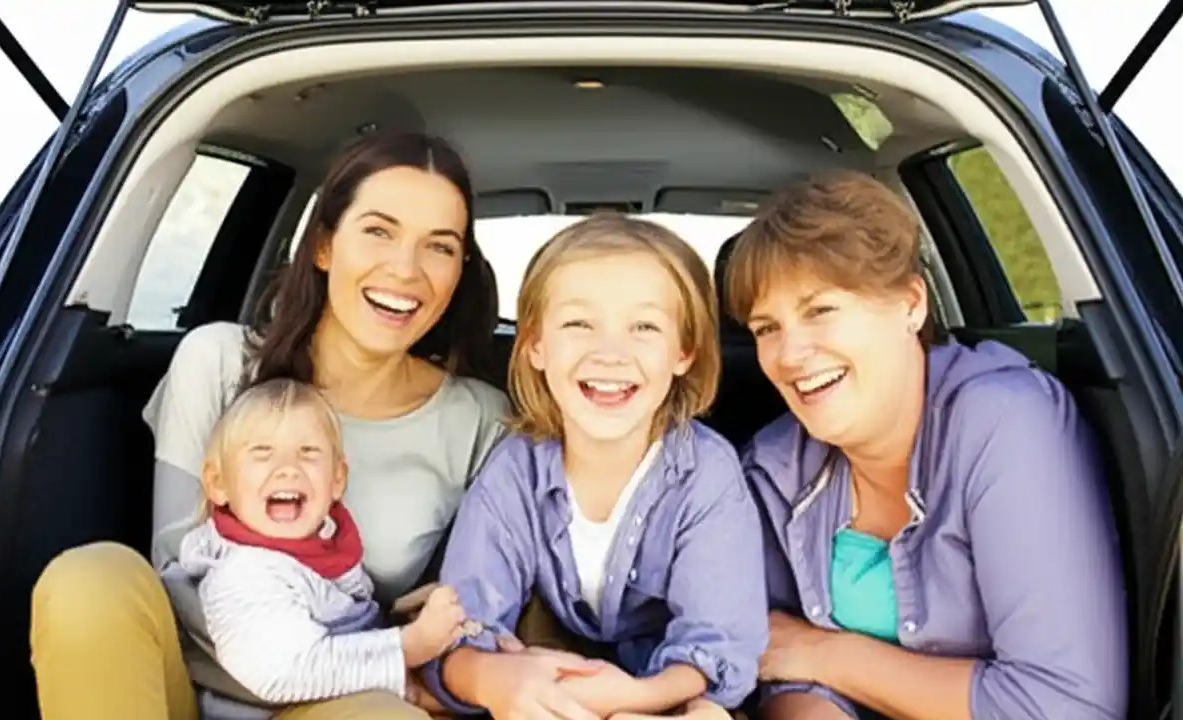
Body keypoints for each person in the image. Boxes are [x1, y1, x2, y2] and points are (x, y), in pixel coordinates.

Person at [29, 132, 523, 720]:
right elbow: (180, 572)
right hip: (187, 683)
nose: (405, 269)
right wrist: (345, 662)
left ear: (459, 271)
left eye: (439, 247)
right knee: (90, 579)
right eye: (378, 231)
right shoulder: (216, 361)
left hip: (341, 697)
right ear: (322, 245)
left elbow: (464, 603)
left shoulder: (481, 421)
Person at [724, 171, 1128, 719]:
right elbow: (764, 655)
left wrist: (830, 655)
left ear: (910, 304)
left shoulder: (1004, 424)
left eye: (820, 311)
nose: (790, 354)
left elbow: (1065, 707)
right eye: (766, 328)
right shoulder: (775, 467)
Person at [426, 214, 770, 720]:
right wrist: (487, 677)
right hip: (540, 682)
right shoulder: (515, 470)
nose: (610, 353)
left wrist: (634, 699)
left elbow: (719, 640)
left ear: (684, 352)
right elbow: (462, 621)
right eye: (579, 324)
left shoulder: (707, 474)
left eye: (644, 327)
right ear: (535, 346)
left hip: (668, 696)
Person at [165, 377, 471, 711]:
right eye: (262, 453)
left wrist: (399, 621)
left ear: (337, 479)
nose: (287, 469)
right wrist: (406, 647)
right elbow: (282, 671)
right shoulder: (244, 572)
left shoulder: (323, 546)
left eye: (308, 453)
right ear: (218, 483)